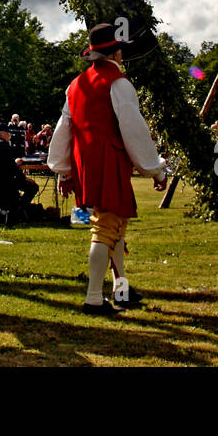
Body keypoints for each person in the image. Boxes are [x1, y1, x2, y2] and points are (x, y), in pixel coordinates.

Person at [48, 23, 170, 316]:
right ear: (116, 52)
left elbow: (64, 127)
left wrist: (64, 170)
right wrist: (155, 169)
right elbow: (134, 130)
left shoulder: (75, 84)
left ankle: (121, 288)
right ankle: (93, 297)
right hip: (108, 159)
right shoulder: (119, 83)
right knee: (105, 228)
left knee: (115, 226)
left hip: (85, 162)